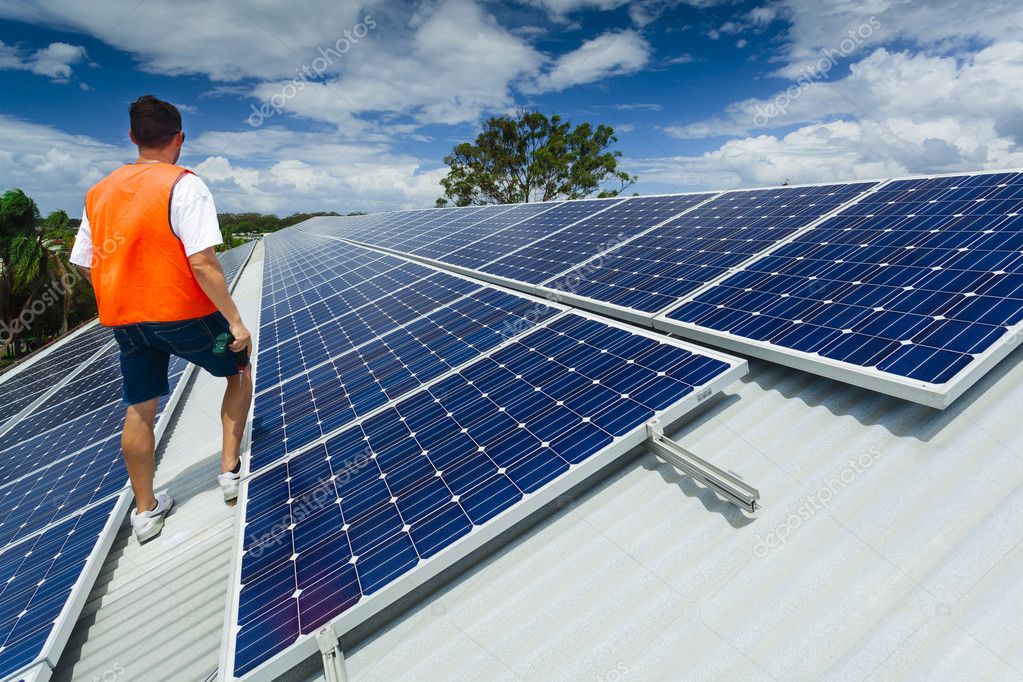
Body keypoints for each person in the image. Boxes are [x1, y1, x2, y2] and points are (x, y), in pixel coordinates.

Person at [71, 95, 253, 543]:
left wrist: (117, 288)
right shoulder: (184, 184)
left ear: (132, 137)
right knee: (238, 367)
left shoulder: (99, 193)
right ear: (180, 139)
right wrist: (234, 320)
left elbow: (83, 263)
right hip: (186, 320)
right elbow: (203, 262)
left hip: (128, 325)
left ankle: (146, 511)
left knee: (140, 408)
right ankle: (230, 471)